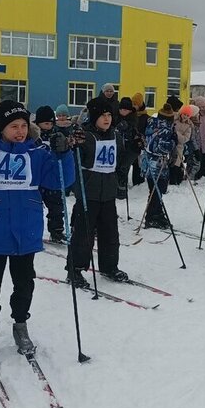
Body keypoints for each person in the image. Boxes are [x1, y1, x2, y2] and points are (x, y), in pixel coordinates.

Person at [0, 100, 78, 362]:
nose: (20, 131)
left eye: (23, 126)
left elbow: (60, 181)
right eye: (13, 126)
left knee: (24, 283)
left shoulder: (37, 152)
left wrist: (63, 155)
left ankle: (20, 324)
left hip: (26, 229)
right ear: (1, 128)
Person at [66, 96, 128, 288]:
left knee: (110, 233)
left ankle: (109, 266)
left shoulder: (115, 136)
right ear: (94, 117)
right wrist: (74, 145)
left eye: (109, 115)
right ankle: (75, 269)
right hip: (89, 193)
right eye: (102, 115)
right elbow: (73, 159)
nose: (107, 119)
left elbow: (122, 161)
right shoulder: (85, 135)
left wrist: (134, 148)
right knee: (83, 234)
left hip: (108, 192)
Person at [141, 102, 177, 229]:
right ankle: (151, 217)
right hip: (157, 163)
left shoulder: (152, 123)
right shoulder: (165, 129)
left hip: (149, 161)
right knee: (157, 190)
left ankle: (157, 213)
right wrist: (173, 142)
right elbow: (160, 147)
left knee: (156, 190)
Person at [34, 105, 67, 242]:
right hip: (37, 178)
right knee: (35, 208)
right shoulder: (33, 136)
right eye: (45, 123)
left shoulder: (56, 134)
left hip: (52, 178)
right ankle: (34, 231)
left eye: (51, 123)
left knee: (57, 207)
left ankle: (57, 231)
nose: (49, 126)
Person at [114, 97, 138, 200]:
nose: (123, 112)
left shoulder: (133, 119)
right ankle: (114, 190)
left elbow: (135, 132)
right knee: (115, 169)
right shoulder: (115, 117)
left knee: (123, 170)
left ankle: (122, 192)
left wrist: (128, 128)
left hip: (129, 149)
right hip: (116, 148)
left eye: (126, 110)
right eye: (121, 109)